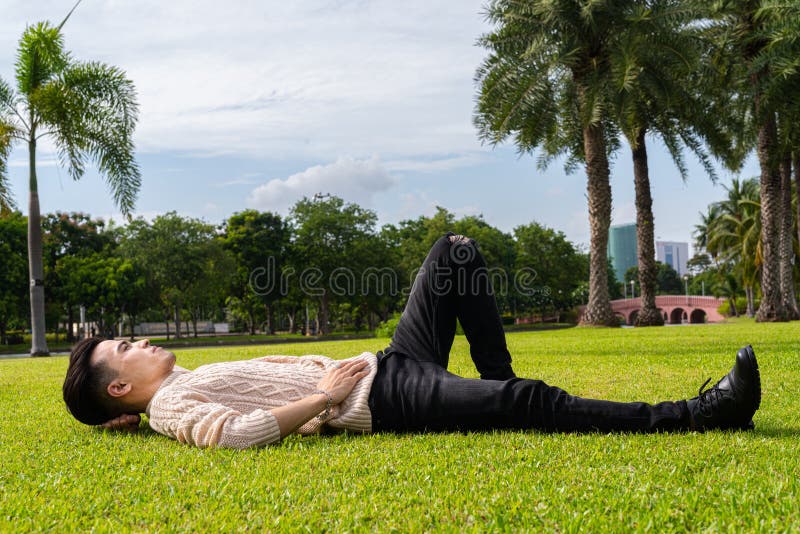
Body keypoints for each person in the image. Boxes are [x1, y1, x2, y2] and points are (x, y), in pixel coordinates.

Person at [62, 233, 762, 449]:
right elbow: (237, 435)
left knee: (454, 252)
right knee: (526, 400)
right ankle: (698, 414)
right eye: (127, 348)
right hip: (381, 395)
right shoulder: (169, 407)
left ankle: (497, 388)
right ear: (121, 387)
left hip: (388, 363)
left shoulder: (171, 388)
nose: (142, 341)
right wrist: (319, 398)